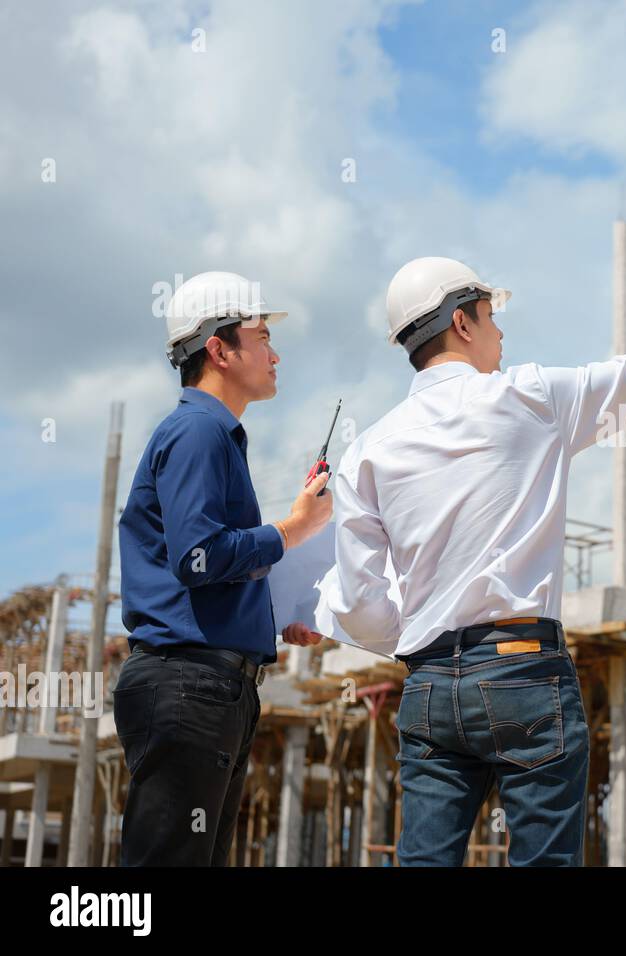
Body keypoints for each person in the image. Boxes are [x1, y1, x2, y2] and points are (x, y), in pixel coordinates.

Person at [328, 256, 626, 866]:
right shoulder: (531, 397)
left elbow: (357, 606)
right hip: (522, 670)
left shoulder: (367, 448)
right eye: (492, 317)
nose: (501, 333)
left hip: (427, 684)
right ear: (462, 323)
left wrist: (426, 641)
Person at [113, 271, 333, 866]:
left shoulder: (209, 433)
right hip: (188, 683)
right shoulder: (198, 431)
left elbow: (201, 565)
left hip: (208, 683)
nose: (275, 353)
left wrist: (273, 617)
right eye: (261, 336)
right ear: (219, 348)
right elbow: (200, 557)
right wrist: (295, 529)